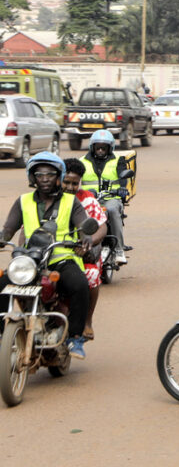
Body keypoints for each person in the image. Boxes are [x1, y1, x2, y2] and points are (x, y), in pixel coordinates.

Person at [0, 153, 93, 359]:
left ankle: (75, 337)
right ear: (32, 177)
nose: (44, 178)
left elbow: (82, 224)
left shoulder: (71, 202)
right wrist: (2, 237)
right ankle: (2, 334)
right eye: (39, 174)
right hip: (29, 260)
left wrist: (85, 237)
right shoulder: (23, 201)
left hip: (60, 258)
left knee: (80, 286)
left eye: (50, 174)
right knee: (2, 284)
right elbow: (9, 229)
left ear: (58, 177)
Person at [62, 158, 108, 340]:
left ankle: (87, 321)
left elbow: (102, 227)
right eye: (66, 182)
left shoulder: (87, 199)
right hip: (53, 252)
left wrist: (88, 243)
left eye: (75, 183)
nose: (70, 187)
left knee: (91, 275)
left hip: (80, 254)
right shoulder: (50, 196)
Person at [79, 130, 129, 265]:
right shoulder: (82, 161)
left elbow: (123, 178)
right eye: (98, 147)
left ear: (110, 148)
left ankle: (119, 249)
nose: (100, 150)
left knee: (112, 210)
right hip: (88, 199)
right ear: (92, 147)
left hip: (110, 198)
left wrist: (122, 189)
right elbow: (74, 177)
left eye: (104, 147)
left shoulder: (118, 160)